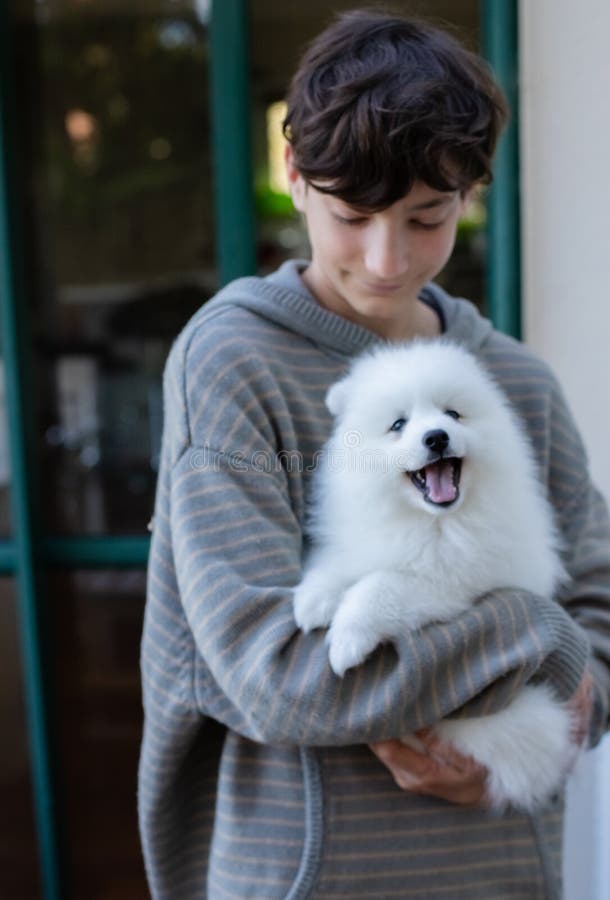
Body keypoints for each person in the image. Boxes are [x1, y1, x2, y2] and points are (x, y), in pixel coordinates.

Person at [138, 10, 610, 898]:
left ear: (470, 192)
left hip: (503, 873)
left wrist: (566, 707)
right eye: (353, 216)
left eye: (428, 217)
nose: (388, 259)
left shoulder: (514, 381)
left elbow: (599, 605)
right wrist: (537, 638)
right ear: (293, 174)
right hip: (310, 874)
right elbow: (277, 678)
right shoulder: (233, 363)